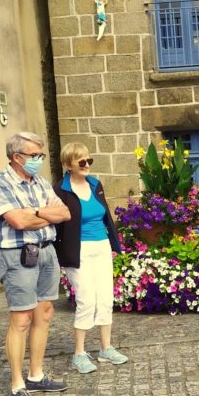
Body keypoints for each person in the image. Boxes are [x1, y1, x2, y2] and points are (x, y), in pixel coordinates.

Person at [0, 132, 71, 396]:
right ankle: (17, 386)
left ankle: (36, 375)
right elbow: (17, 221)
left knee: (44, 313)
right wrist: (42, 213)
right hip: (17, 255)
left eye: (41, 155)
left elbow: (65, 214)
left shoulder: (41, 182)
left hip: (46, 251)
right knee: (20, 319)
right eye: (35, 155)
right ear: (16, 157)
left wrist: (34, 211)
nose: (39, 160)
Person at [54, 142, 127, 374]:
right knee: (86, 299)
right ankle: (79, 353)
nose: (87, 165)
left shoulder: (95, 185)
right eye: (81, 161)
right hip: (78, 249)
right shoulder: (60, 190)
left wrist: (115, 243)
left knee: (105, 297)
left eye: (89, 160)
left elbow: (105, 216)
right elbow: (57, 223)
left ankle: (106, 348)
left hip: (101, 246)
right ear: (68, 165)